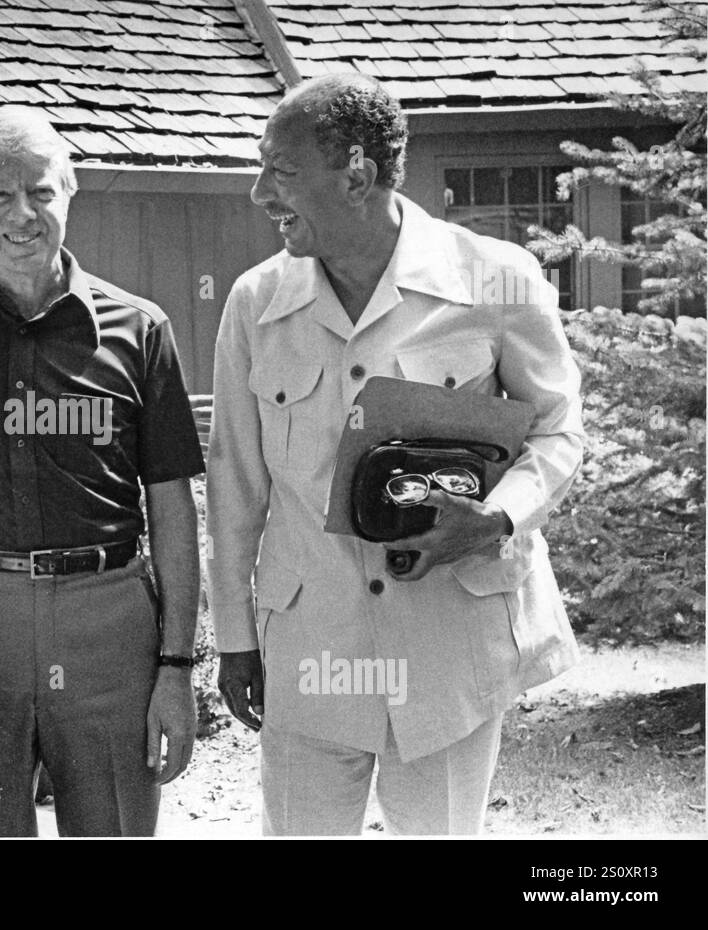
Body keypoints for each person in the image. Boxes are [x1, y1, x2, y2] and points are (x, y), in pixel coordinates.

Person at [206, 74, 584, 835]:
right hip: (313, 647)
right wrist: (237, 640)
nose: (258, 194)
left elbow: (558, 430)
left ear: (356, 173)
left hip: (447, 651)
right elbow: (235, 488)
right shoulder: (255, 302)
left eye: (280, 171)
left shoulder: (495, 279)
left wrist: (497, 519)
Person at [0, 108, 204, 836]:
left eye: (40, 191)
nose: (23, 215)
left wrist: (178, 666)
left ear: (70, 190)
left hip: (108, 624)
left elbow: (173, 508)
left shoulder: (141, 329)